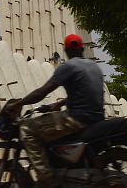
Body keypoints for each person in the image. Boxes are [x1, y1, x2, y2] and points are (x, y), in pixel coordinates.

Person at [6, 33, 104, 187]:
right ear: (82, 49)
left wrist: (19, 103)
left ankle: (46, 178)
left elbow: (42, 92)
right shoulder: (94, 66)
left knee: (27, 128)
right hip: (96, 118)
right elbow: (84, 94)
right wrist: (59, 104)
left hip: (76, 119)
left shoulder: (68, 67)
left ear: (66, 50)